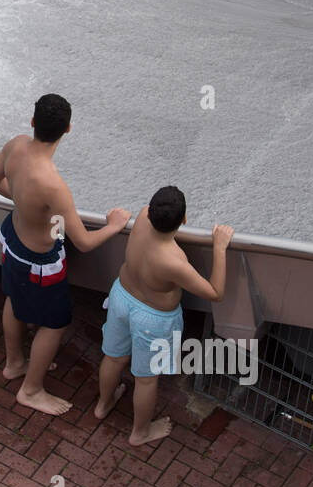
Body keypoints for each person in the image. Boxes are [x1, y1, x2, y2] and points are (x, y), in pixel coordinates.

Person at [0, 94, 130, 416]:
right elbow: (85, 242)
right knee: (55, 323)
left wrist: (25, 205)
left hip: (11, 238)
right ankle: (32, 390)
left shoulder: (16, 144)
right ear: (68, 129)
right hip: (38, 261)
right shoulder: (53, 185)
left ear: (33, 121)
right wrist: (115, 225)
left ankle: (15, 363)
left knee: (13, 297)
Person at [95, 187, 233, 446]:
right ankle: (140, 433)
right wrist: (220, 247)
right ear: (184, 220)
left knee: (113, 358)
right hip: (152, 320)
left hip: (121, 297)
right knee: (145, 380)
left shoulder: (143, 217)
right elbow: (215, 292)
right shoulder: (173, 261)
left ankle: (103, 404)